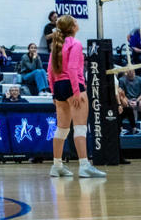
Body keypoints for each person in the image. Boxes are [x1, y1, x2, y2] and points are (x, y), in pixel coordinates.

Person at [48, 14, 105, 178]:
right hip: (73, 86)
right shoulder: (76, 44)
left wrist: (54, 92)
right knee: (80, 128)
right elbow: (73, 69)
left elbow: (49, 71)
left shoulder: (56, 46)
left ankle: (57, 166)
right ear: (72, 27)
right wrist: (76, 92)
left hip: (59, 87)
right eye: (75, 21)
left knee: (62, 130)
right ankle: (84, 166)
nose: (77, 23)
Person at [119, 69, 141, 134]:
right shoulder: (122, 80)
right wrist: (128, 101)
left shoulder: (139, 79)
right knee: (124, 104)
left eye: (132, 71)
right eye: (129, 71)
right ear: (126, 72)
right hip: (127, 99)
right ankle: (132, 127)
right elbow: (121, 93)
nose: (131, 73)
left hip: (138, 99)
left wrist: (137, 101)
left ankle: (136, 127)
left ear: (134, 72)